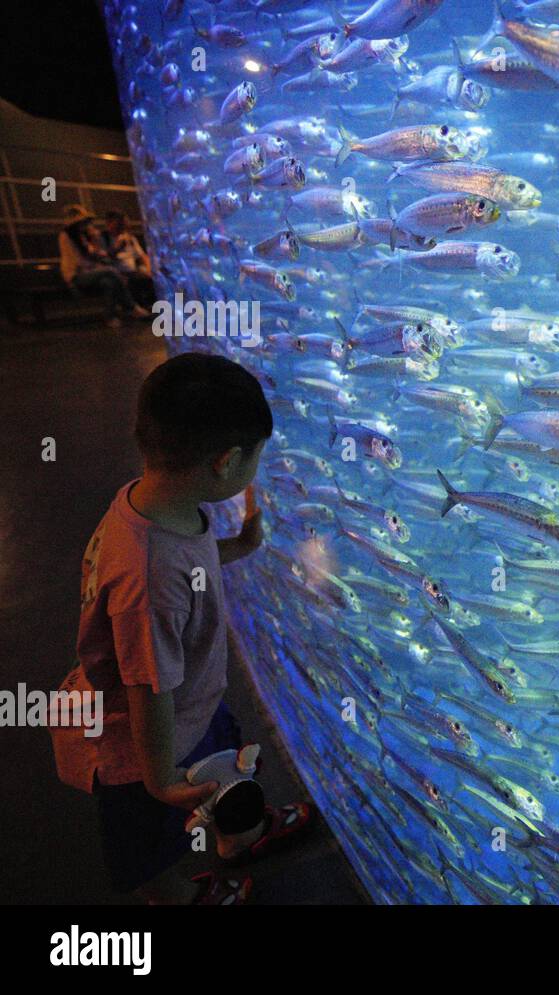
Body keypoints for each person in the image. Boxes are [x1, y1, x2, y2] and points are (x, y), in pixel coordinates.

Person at [51, 353, 316, 904]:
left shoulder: (154, 504)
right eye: (255, 460)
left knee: (227, 771)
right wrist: (160, 777)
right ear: (226, 463)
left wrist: (237, 546)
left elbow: (182, 566)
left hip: (191, 702)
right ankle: (176, 897)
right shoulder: (147, 578)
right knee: (150, 842)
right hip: (139, 741)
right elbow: (149, 686)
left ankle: (240, 836)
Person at [58, 204, 149, 323]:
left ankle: (110, 316)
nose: (85, 225)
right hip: (76, 276)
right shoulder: (66, 236)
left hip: (90, 274)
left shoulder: (83, 237)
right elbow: (80, 261)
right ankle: (132, 307)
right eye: (82, 222)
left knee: (108, 283)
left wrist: (94, 240)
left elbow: (99, 255)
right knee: (111, 272)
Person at [103, 209, 157, 310]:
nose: (123, 226)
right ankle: (136, 308)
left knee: (150, 276)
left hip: (133, 270)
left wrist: (150, 270)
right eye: (119, 223)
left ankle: (152, 307)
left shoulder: (130, 238)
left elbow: (142, 255)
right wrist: (118, 247)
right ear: (109, 223)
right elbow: (105, 257)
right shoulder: (104, 238)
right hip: (116, 272)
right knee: (132, 280)